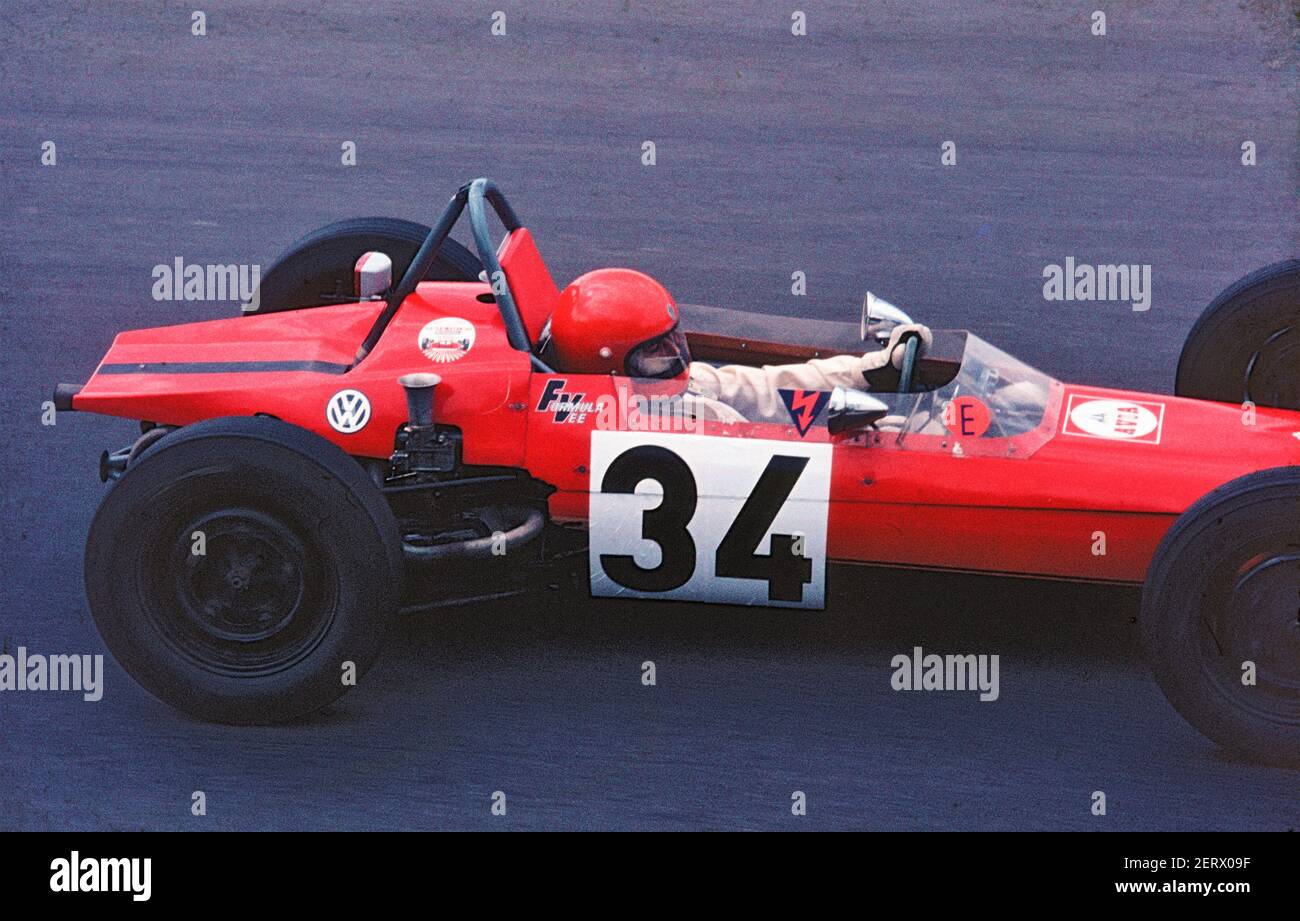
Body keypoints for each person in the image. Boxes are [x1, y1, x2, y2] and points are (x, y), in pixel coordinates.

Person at [538, 268, 931, 425]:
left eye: (672, 338)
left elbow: (766, 389)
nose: (674, 353)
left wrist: (866, 371)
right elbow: (780, 448)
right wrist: (869, 436)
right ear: (610, 367)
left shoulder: (668, 390)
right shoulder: (686, 420)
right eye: (654, 351)